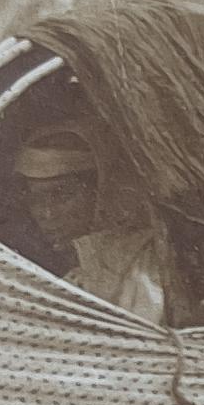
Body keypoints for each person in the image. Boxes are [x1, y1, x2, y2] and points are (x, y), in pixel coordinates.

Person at [14, 115, 174, 323]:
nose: (47, 214)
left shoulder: (141, 266)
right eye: (36, 199)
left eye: (62, 195)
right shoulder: (77, 266)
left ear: (100, 191)